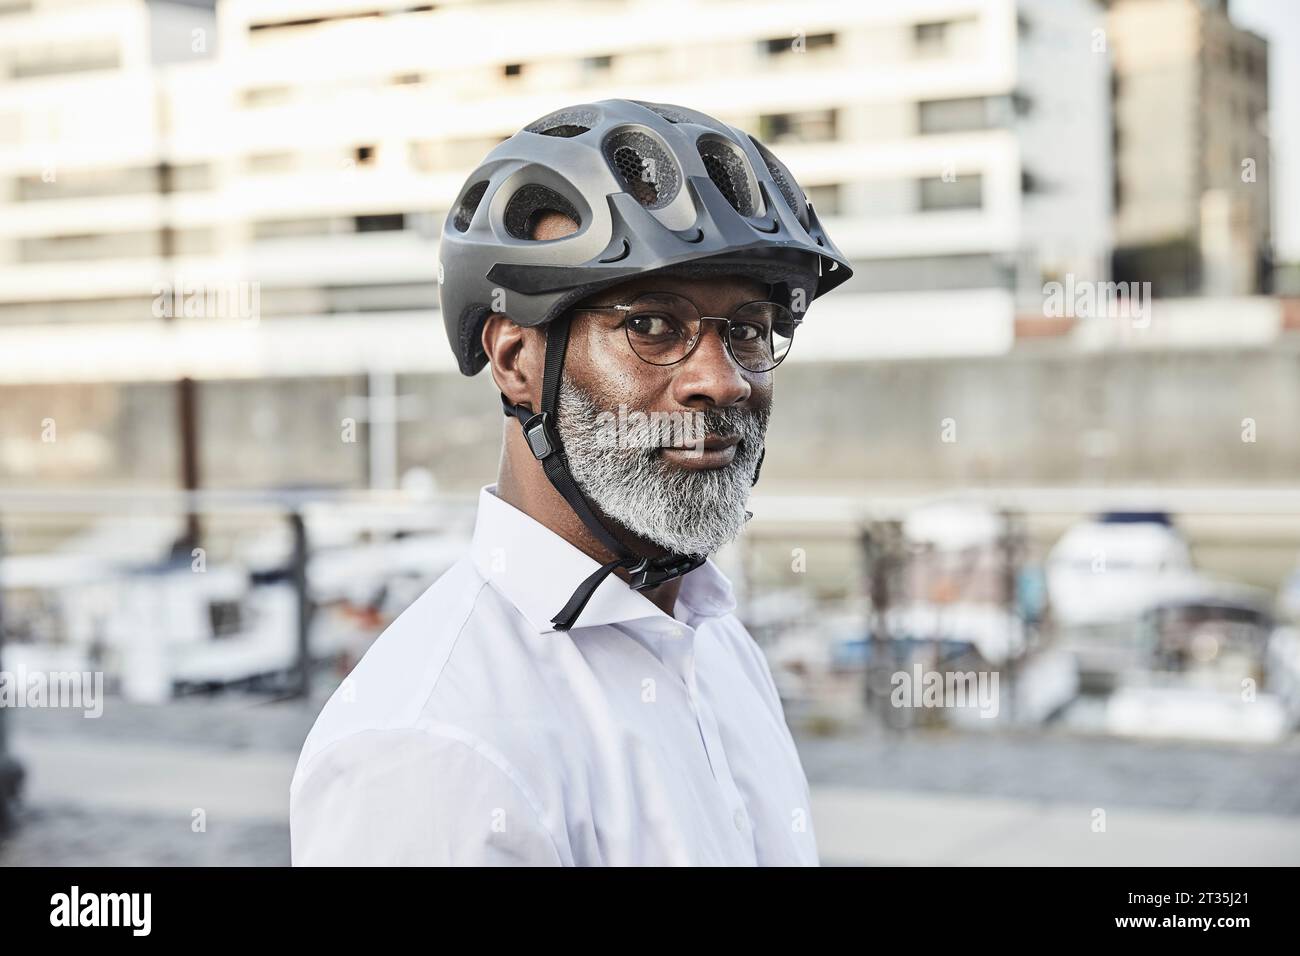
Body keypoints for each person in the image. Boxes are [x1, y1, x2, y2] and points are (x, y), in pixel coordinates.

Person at [289, 98, 853, 865]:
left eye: (749, 330)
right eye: (652, 326)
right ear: (516, 361)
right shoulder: (430, 746)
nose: (722, 381)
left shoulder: (717, 641)